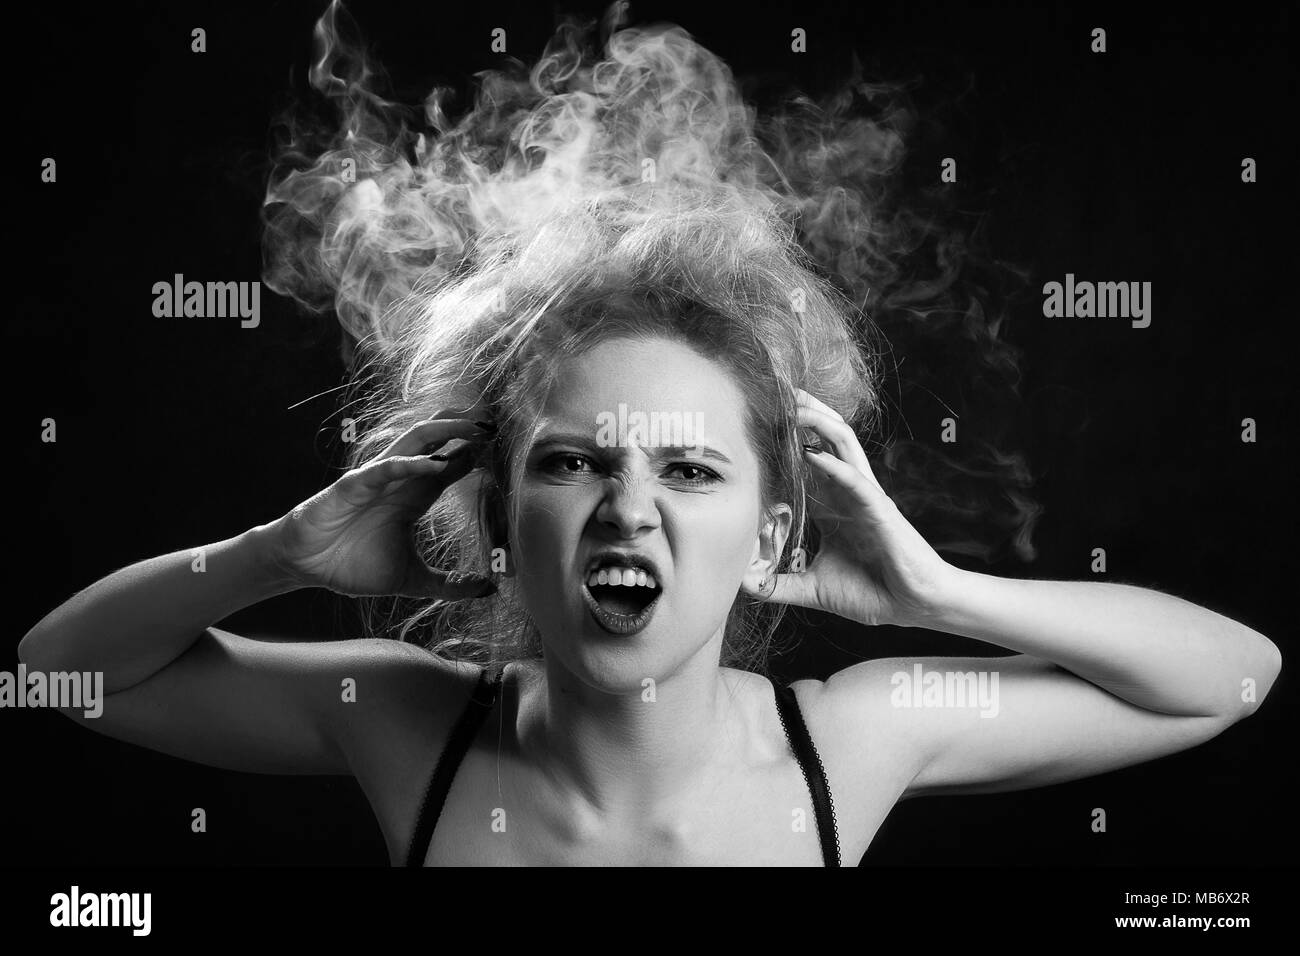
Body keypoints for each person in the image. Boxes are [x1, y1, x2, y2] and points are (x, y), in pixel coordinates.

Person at [17, 12, 1282, 867]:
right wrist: (275, 556)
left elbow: (1232, 674)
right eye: (573, 462)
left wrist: (932, 591)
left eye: (688, 467)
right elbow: (59, 673)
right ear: (502, 515)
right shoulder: (408, 721)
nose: (630, 507)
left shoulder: (849, 736)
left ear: (770, 530)